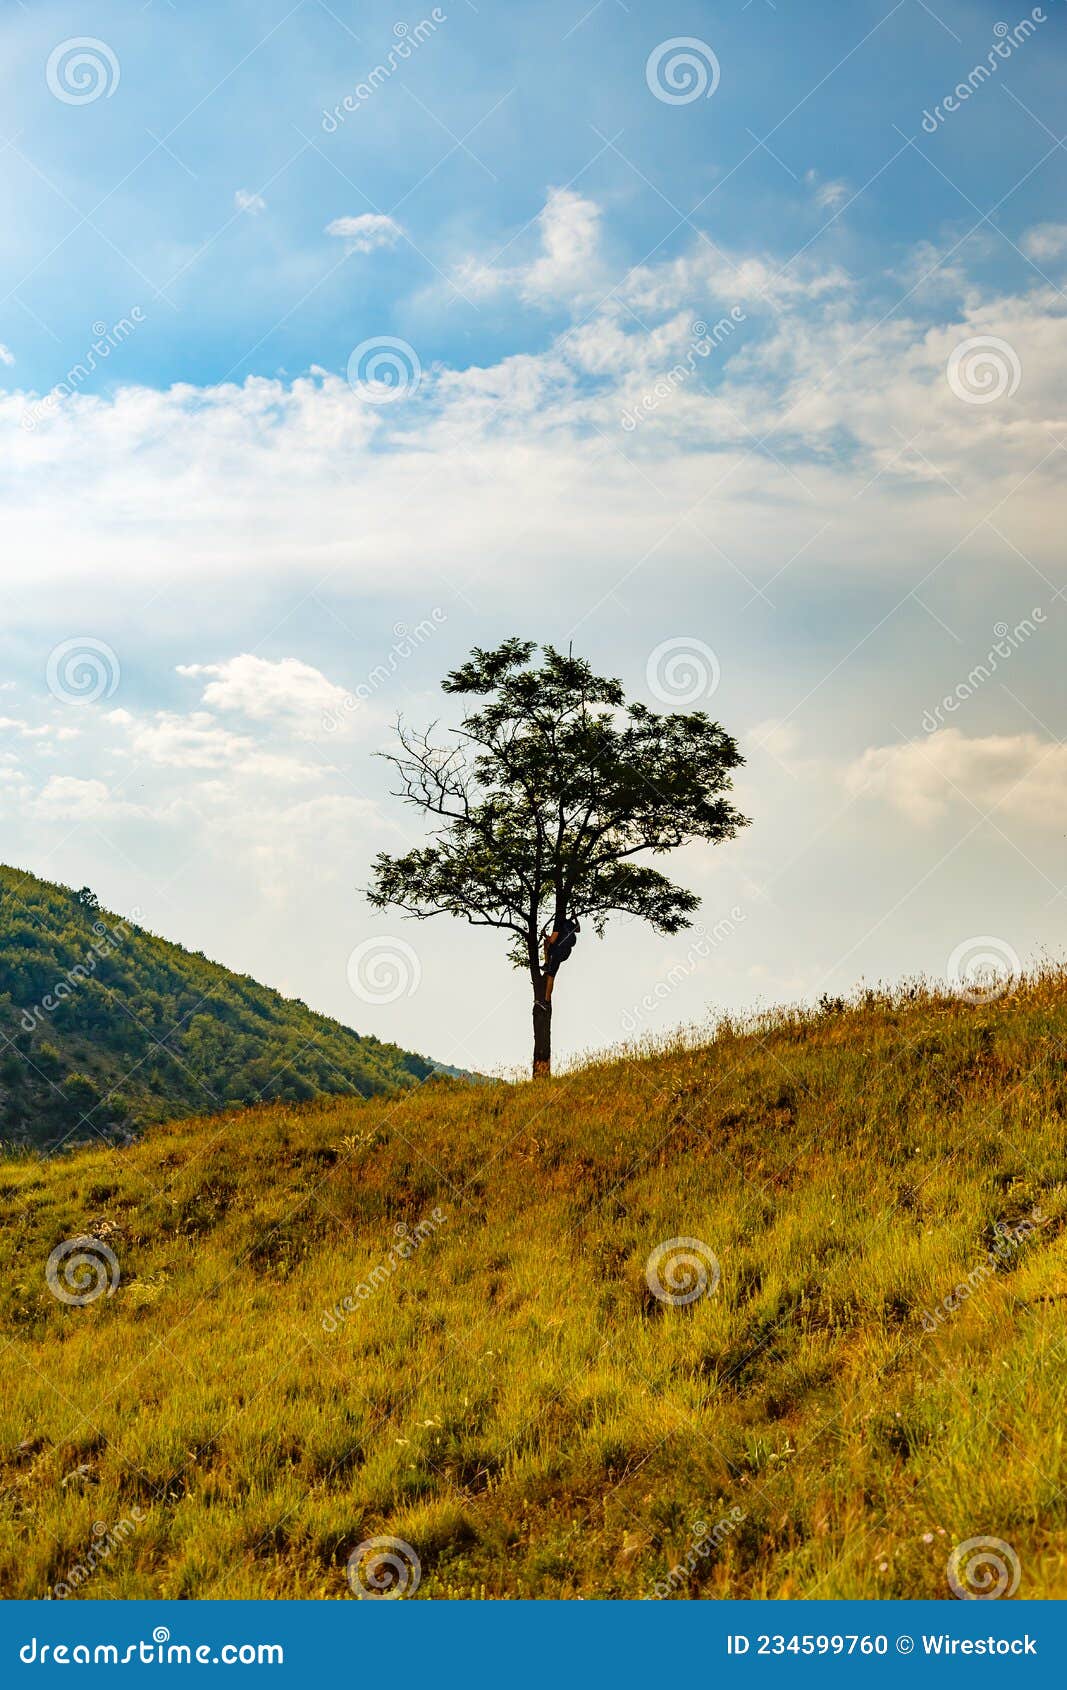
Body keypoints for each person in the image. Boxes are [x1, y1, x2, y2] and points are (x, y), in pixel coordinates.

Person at [542, 913, 580, 1000]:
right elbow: (578, 929)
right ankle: (547, 964)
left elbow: (551, 940)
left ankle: (546, 1001)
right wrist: (575, 917)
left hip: (558, 950)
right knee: (552, 973)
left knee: (551, 975)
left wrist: (544, 935)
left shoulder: (558, 923)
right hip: (566, 952)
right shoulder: (569, 923)